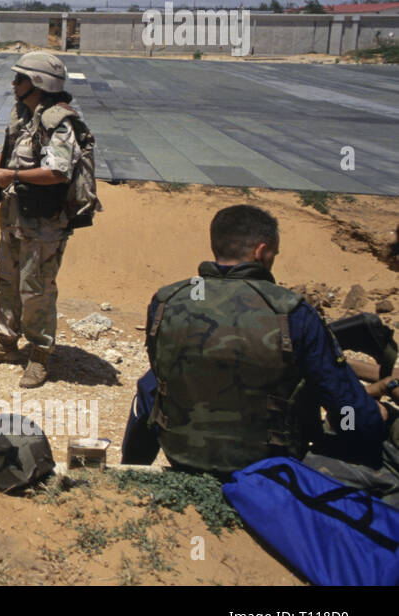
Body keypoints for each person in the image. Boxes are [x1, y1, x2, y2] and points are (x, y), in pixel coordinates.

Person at [128, 204, 389, 476]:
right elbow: (346, 405)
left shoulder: (166, 301)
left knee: (148, 384)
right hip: (271, 467)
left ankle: (131, 466)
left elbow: (160, 378)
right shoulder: (291, 311)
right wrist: (374, 418)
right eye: (273, 255)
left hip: (183, 458)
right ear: (262, 252)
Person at [0, 50, 91, 388]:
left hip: (43, 222)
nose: (14, 83)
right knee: (4, 279)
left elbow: (58, 171)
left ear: (37, 82)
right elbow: (15, 150)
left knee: (35, 289)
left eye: (19, 78)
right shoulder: (24, 114)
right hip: (15, 216)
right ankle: (7, 342)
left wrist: (14, 176)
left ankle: (39, 354)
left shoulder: (58, 122)